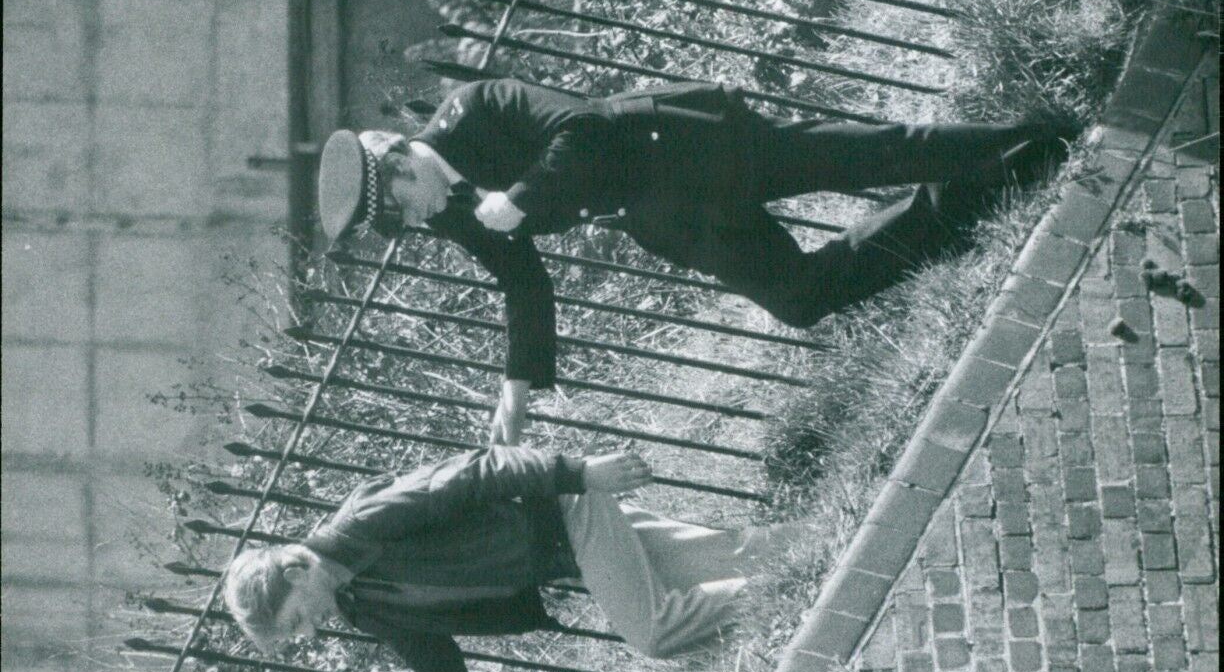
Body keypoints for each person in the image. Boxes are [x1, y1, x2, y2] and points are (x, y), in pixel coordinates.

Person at [318, 76, 1072, 444]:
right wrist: (518, 386)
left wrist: (521, 193)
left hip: (691, 143)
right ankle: (965, 200)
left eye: (402, 211)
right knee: (799, 298)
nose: (416, 225)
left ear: (401, 167)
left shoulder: (476, 108)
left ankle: (1034, 136)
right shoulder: (446, 209)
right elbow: (519, 278)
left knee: (866, 154)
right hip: (672, 214)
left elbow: (582, 126)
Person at [221, 443, 807, 672]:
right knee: (737, 556)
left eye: (297, 621)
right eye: (297, 636)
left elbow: (481, 470)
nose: (311, 634)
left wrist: (579, 473)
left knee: (656, 630)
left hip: (568, 508)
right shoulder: (361, 605)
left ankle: (797, 588)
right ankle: (829, 541)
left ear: (297, 568)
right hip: (564, 552)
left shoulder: (366, 519)